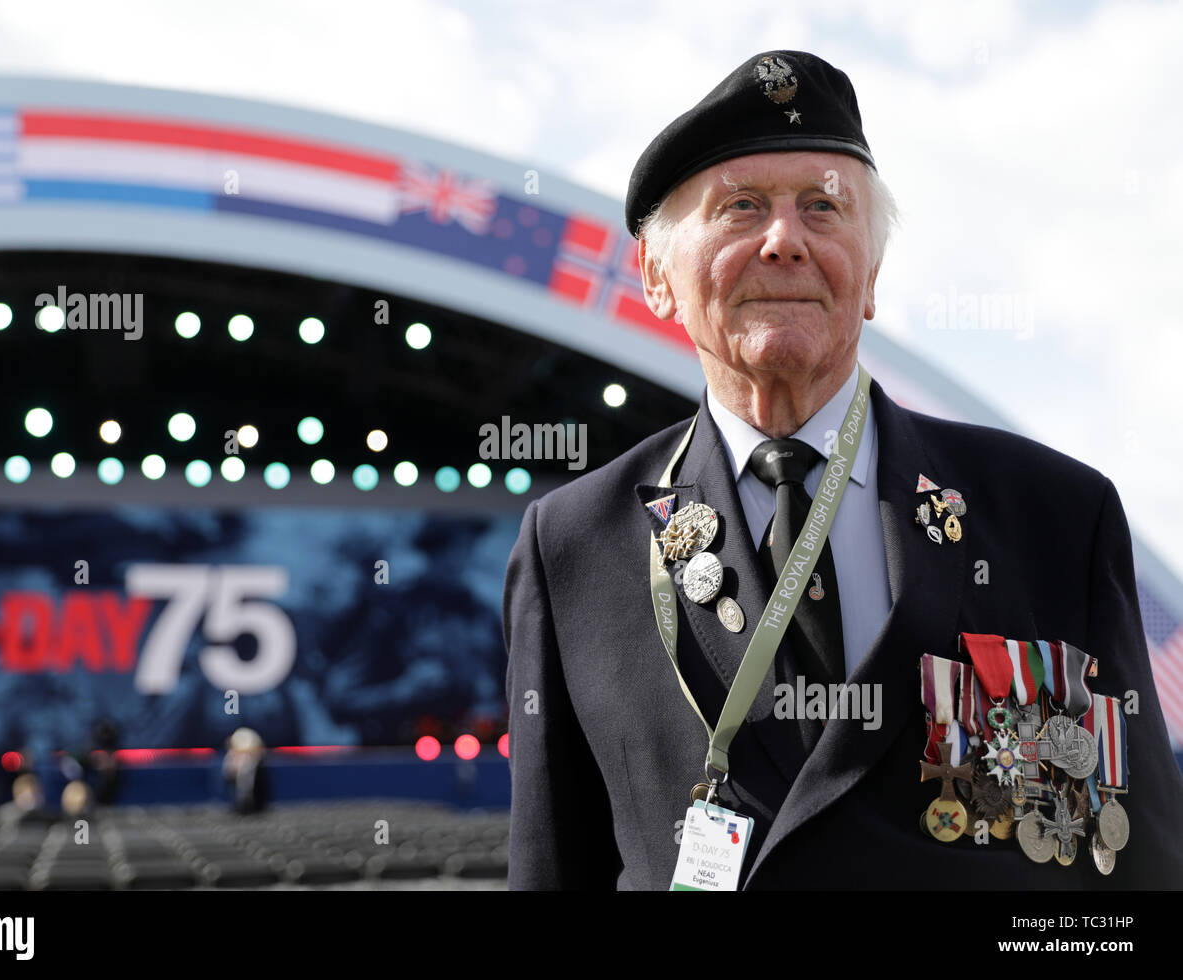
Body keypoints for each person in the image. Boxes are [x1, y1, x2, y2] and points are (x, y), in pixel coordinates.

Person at [503, 50, 1183, 889]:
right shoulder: (573, 544)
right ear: (655, 275)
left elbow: (1143, 860)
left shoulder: (1054, 516)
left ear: (870, 275)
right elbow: (552, 867)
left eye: (823, 208)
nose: (785, 239)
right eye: (741, 207)